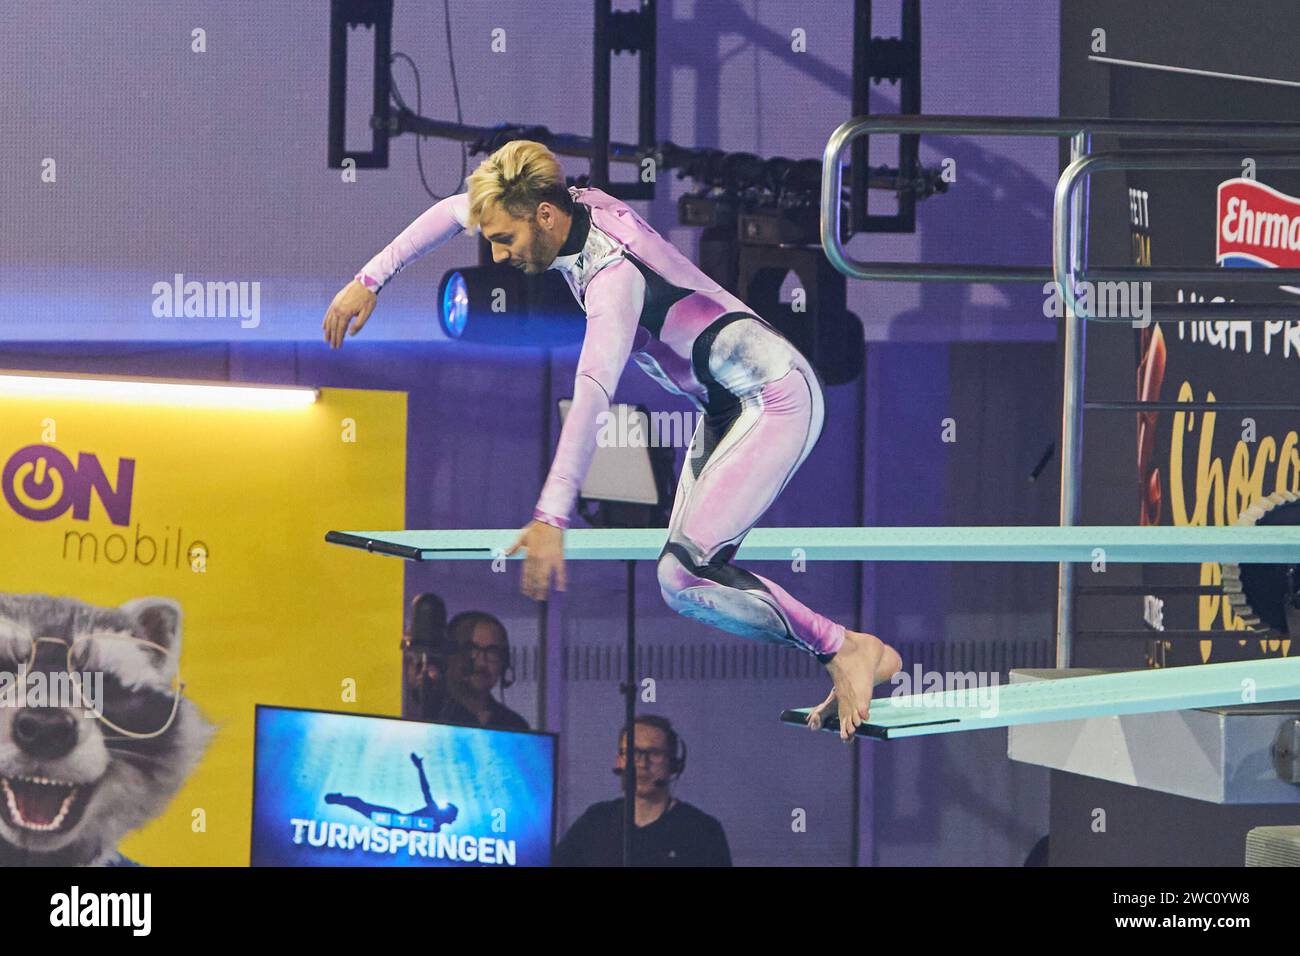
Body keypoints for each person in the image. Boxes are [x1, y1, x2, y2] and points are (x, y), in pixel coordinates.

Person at [323, 140, 901, 739]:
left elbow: (592, 396)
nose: (496, 255)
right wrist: (368, 281)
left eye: (504, 239)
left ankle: (843, 649)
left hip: (777, 400)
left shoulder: (612, 281)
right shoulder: (559, 204)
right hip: (725, 405)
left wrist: (551, 517)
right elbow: (448, 214)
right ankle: (842, 650)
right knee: (688, 578)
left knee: (683, 576)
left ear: (543, 217)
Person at [554, 715, 729, 867]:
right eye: (632, 753)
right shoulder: (595, 820)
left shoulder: (702, 830)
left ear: (673, 763)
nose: (641, 764)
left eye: (654, 753)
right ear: (619, 762)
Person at [432, 611, 529, 732]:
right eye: (471, 650)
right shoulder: (429, 715)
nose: (482, 662)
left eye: (492, 652)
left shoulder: (515, 725)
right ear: (449, 656)